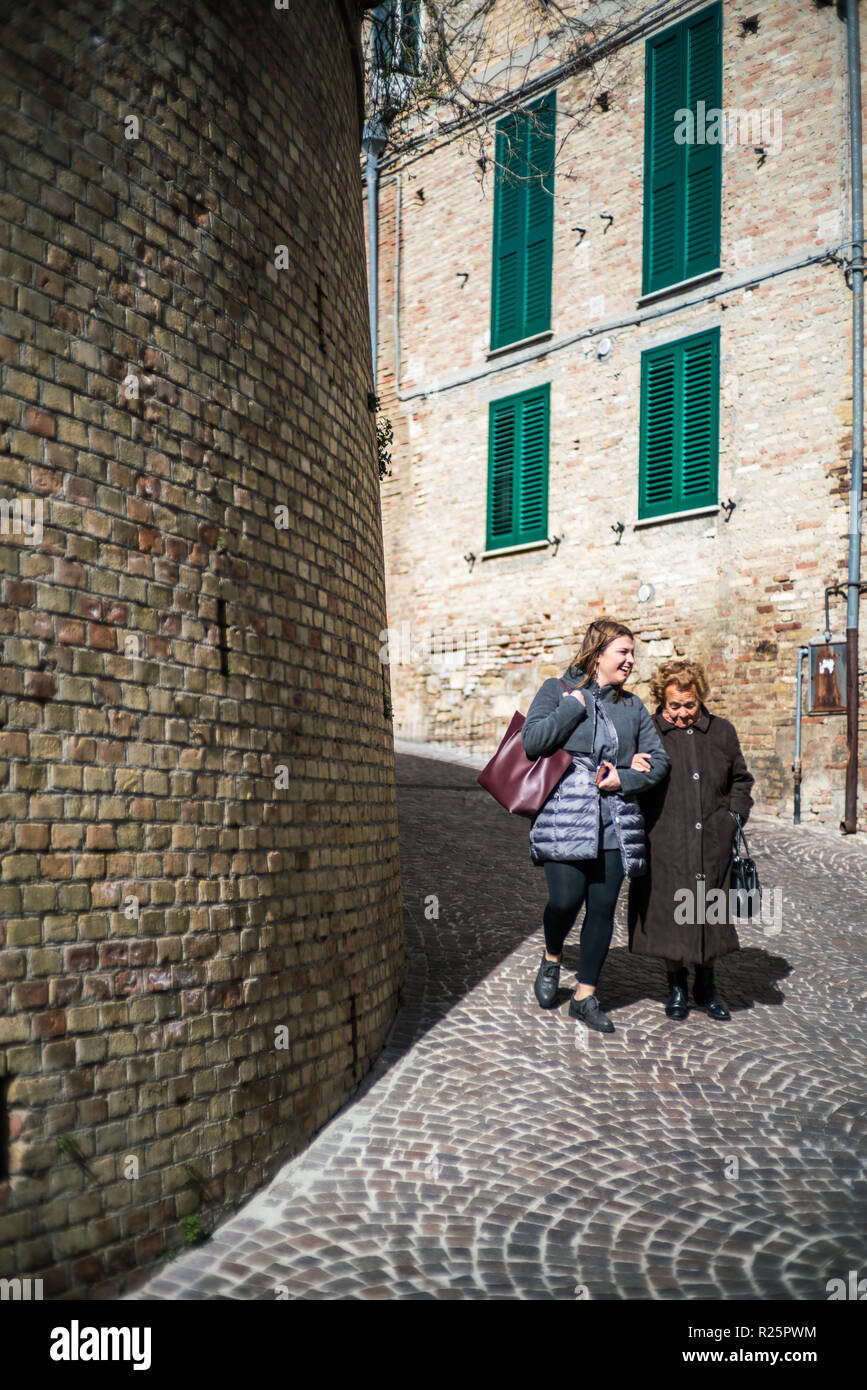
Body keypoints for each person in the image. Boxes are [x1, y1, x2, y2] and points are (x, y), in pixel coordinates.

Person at [521, 619, 670, 1034]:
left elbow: (658, 760)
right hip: (565, 818)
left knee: (602, 909)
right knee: (565, 901)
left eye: (632, 653)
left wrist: (625, 777)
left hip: (614, 821)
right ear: (598, 653)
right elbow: (532, 742)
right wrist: (573, 707)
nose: (630, 660)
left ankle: (585, 995)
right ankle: (552, 956)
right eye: (623, 652)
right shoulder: (557, 690)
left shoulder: (632, 706)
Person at [627, 659, 755, 1021]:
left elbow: (741, 781)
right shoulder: (648, 732)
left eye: (689, 705)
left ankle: (707, 985)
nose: (682, 714)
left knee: (710, 915)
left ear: (701, 699)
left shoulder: (722, 732)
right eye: (674, 706)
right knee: (671, 915)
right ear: (661, 701)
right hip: (664, 840)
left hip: (713, 840)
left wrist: (733, 817)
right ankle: (677, 985)